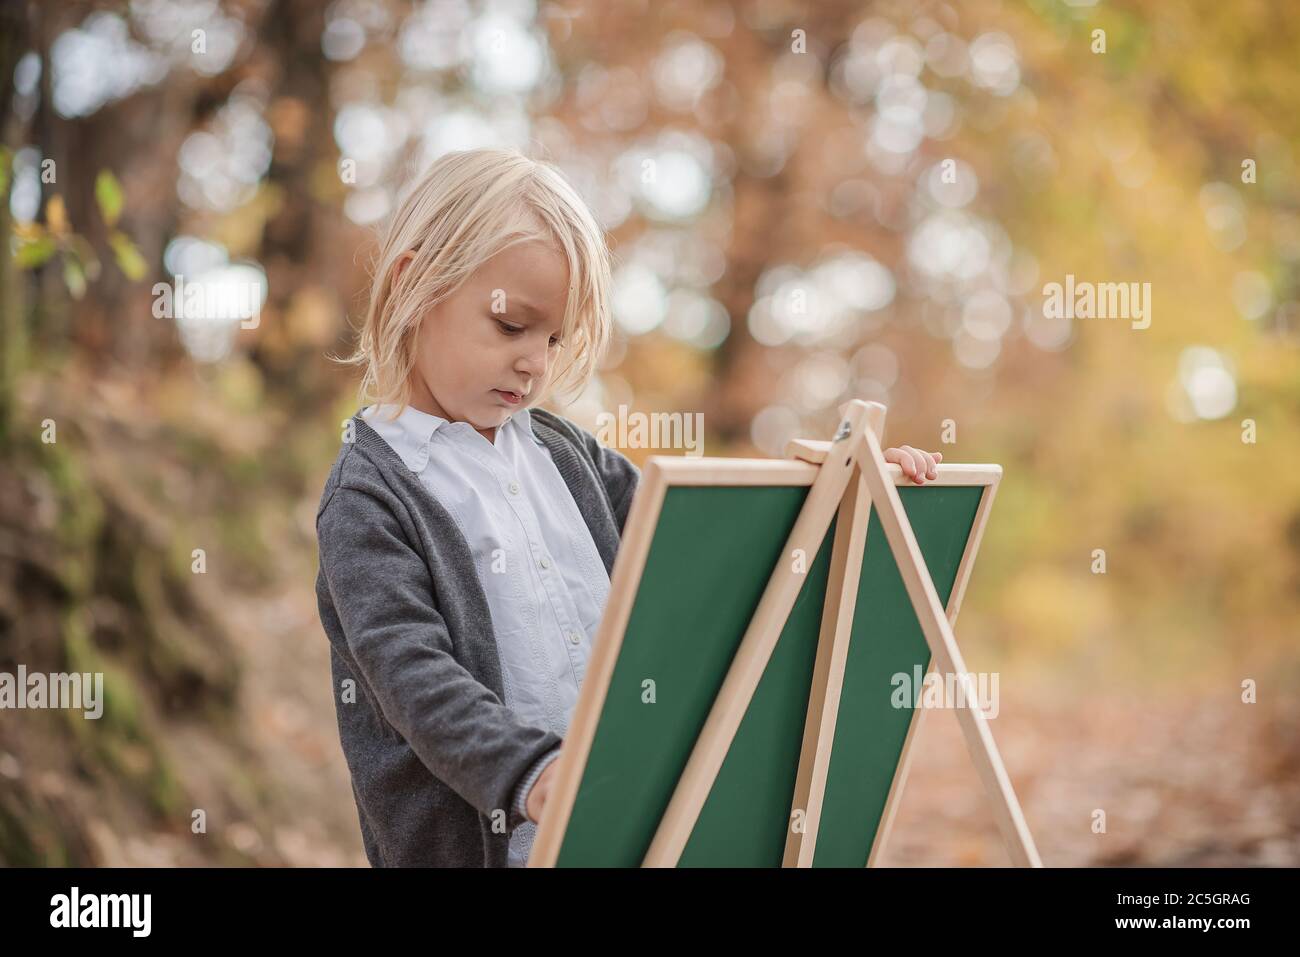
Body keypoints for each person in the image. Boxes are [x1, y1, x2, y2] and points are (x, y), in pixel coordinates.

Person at [314, 146, 943, 867]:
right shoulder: (370, 496)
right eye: (512, 326)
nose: (535, 362)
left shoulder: (566, 456)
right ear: (413, 286)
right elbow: (413, 675)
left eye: (553, 338)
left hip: (626, 840)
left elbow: (703, 545)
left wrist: (846, 495)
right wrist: (535, 774)